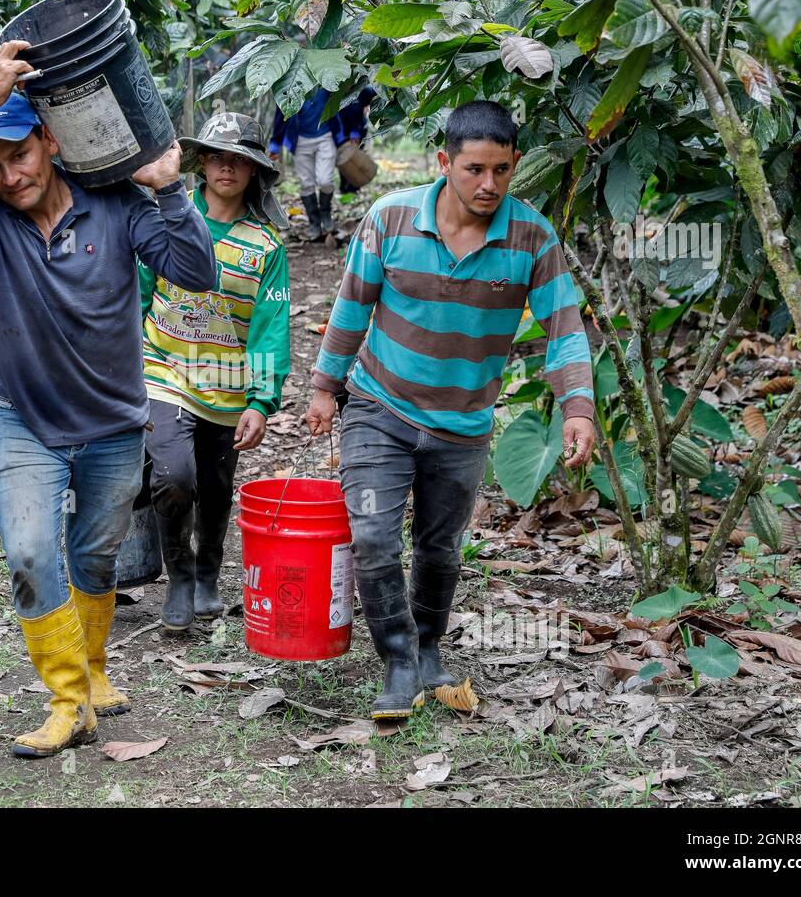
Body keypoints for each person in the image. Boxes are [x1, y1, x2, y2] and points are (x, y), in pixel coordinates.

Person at [0, 40, 216, 757]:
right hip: (24, 421)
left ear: (49, 141)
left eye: (17, 155)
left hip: (111, 425)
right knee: (28, 554)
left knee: (95, 561)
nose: (8, 176)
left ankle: (96, 668)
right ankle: (68, 701)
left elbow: (195, 274)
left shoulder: (114, 205)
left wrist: (170, 189)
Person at [304, 100, 596, 721]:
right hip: (380, 405)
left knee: (440, 547)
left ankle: (430, 647)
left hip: (463, 425)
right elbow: (352, 305)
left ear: (515, 165)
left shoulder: (532, 237)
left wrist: (579, 408)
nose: (487, 184)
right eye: (473, 169)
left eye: (500, 170)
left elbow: (565, 328)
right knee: (376, 537)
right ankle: (399, 659)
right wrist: (325, 387)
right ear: (445, 162)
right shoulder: (390, 218)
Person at [140, 112, 291, 631]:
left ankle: (208, 573)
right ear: (201, 163)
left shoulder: (266, 246)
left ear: (255, 172)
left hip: (226, 387)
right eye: (217, 156)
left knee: (217, 484)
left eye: (240, 160)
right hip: (162, 368)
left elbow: (270, 327)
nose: (227, 167)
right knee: (173, 476)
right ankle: (179, 575)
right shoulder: (170, 219)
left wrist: (260, 400)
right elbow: (138, 293)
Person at [269, 87, 337, 242]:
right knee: (306, 183)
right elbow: (280, 116)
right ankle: (314, 223)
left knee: (325, 181)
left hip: (325, 136)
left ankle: (326, 214)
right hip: (300, 140)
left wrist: (353, 132)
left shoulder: (326, 84)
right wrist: (275, 145)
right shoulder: (292, 87)